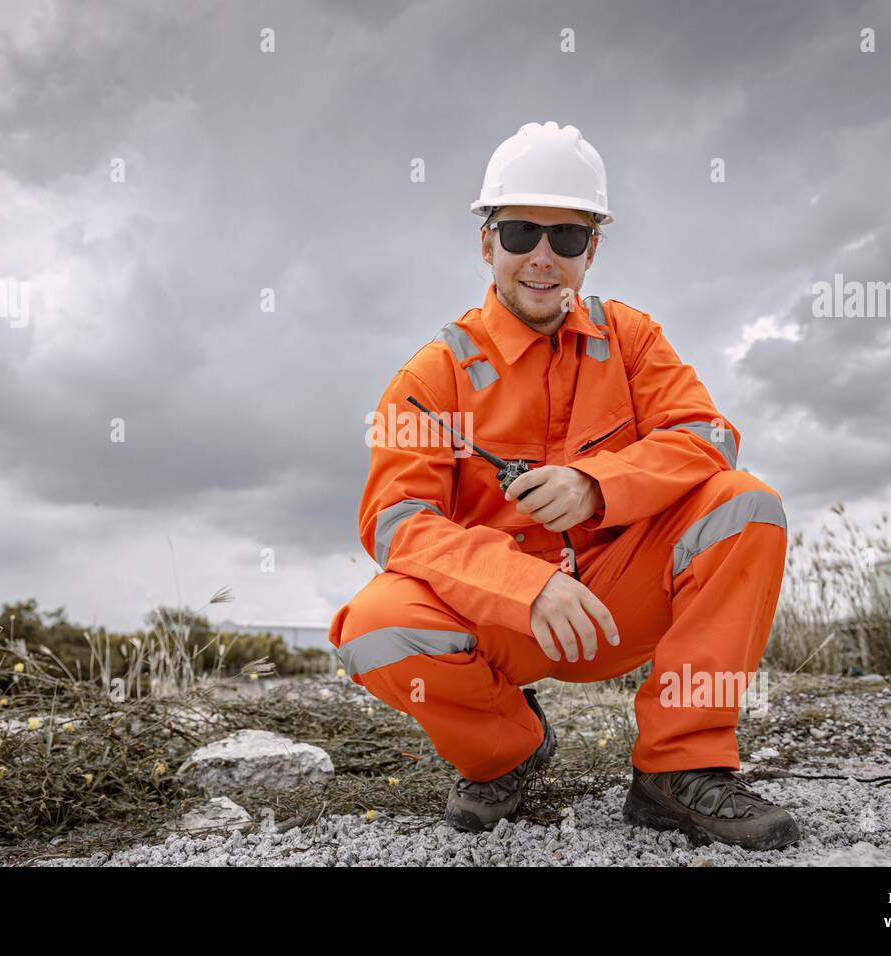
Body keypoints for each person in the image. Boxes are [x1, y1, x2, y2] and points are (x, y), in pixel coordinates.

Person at [328, 121, 798, 851]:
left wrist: (598, 485)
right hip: (504, 625)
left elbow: (709, 437)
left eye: (567, 239)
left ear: (592, 252)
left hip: (618, 602)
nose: (542, 258)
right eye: (520, 233)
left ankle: (677, 770)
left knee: (746, 504)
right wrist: (523, 586)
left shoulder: (632, 337)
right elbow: (399, 523)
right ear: (487, 244)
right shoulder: (432, 376)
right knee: (375, 626)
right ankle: (507, 751)